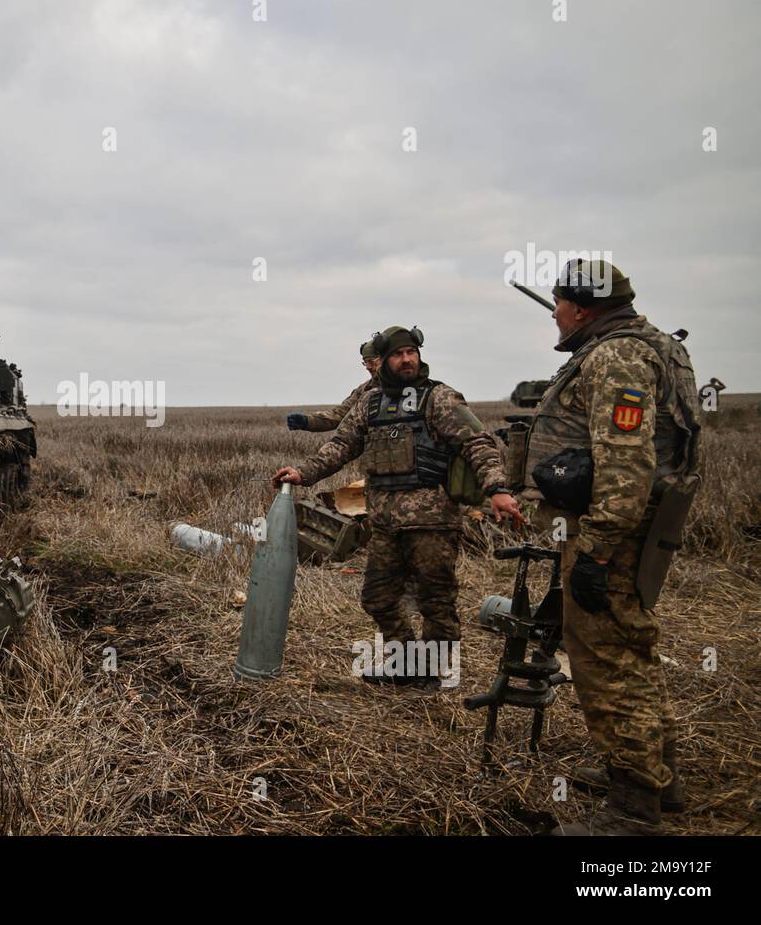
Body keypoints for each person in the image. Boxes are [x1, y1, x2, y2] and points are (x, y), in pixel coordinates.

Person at [523, 260, 703, 836]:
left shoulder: (617, 356)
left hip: (614, 535)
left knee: (608, 664)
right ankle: (657, 778)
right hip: (634, 530)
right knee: (634, 652)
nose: (554, 313)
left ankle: (632, 814)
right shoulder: (656, 347)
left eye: (559, 303)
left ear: (582, 308)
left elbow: (626, 463)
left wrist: (597, 550)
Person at [273, 326, 524, 685]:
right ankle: (406, 662)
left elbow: (478, 444)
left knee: (435, 601)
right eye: (397, 354)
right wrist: (302, 473)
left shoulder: (440, 398)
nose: (406, 359)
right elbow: (341, 446)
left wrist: (497, 488)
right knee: (377, 597)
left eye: (411, 352)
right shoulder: (370, 403)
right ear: (383, 361)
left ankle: (431, 672)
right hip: (386, 524)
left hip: (433, 522)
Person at [287, 339, 381, 432]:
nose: (368, 367)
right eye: (365, 362)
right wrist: (306, 421)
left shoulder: (396, 388)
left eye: (371, 362)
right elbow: (339, 415)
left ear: (384, 359)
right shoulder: (364, 390)